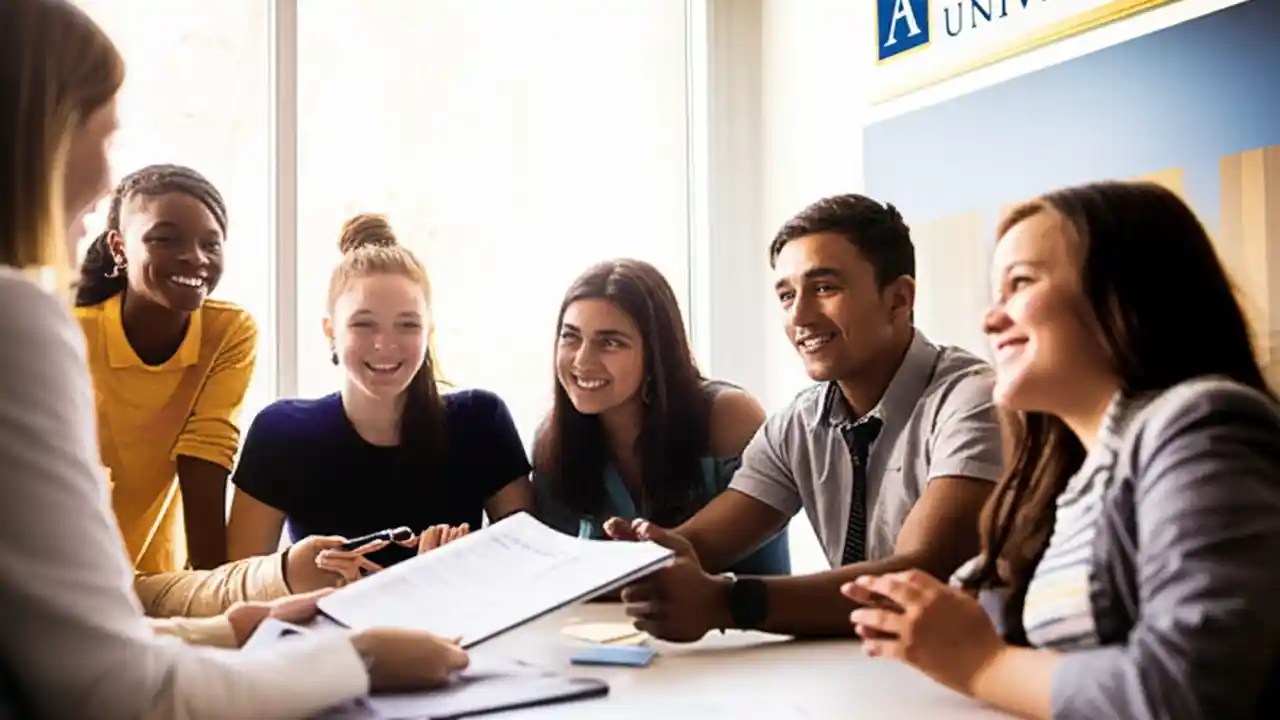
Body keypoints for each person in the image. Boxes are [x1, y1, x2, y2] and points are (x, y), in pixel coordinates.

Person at [0, 2, 466, 716]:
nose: (105, 178)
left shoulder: (224, 331)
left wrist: (231, 624)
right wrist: (359, 660)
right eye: (106, 133)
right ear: (42, 133)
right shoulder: (24, 321)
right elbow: (115, 689)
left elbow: (57, 633)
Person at [844, 182, 1280, 719]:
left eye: (1021, 283)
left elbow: (1187, 691)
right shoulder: (1073, 477)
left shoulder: (1204, 424)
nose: (989, 320)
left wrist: (982, 664)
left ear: (1126, 291)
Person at [612, 193, 1004, 640]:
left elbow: (921, 574)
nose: (799, 315)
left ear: (899, 299)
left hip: (976, 669)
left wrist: (727, 601)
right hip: (867, 665)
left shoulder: (974, 400)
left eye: (824, 288)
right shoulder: (798, 425)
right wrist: (631, 562)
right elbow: (696, 546)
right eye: (786, 295)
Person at [227, 213, 532, 568]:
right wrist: (307, 580)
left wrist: (452, 570)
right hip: (325, 608)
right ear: (330, 331)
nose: (385, 344)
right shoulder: (280, 434)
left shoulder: (481, 422)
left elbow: (530, 566)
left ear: (428, 332)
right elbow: (237, 585)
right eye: (364, 324)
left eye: (407, 325)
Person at [533, 259, 789, 575]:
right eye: (570, 337)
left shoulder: (727, 417)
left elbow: (730, 548)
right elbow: (555, 573)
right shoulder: (553, 440)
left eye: (610, 342)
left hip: (739, 605)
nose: (582, 361)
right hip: (609, 608)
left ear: (656, 352)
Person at [75, 163, 250, 571]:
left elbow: (205, 457)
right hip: (69, 573)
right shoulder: (73, 332)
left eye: (211, 244)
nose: (195, 257)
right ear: (120, 248)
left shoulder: (228, 331)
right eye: (165, 240)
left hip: (156, 582)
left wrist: (212, 590)